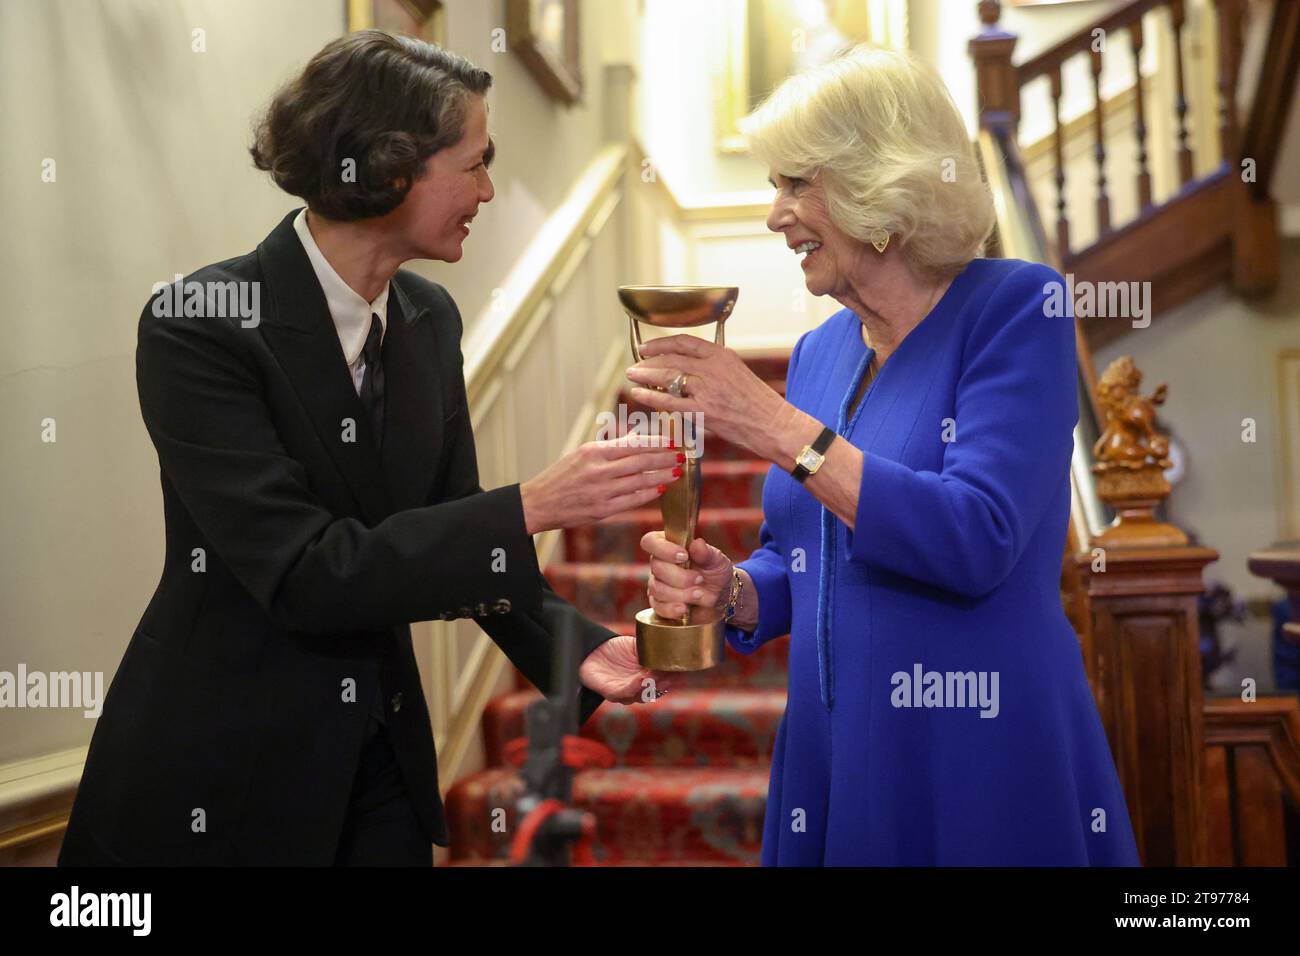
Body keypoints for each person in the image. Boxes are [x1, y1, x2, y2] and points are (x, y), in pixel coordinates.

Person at [58, 31, 680, 867]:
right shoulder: (199, 321)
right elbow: (306, 573)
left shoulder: (430, 319)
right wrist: (534, 504)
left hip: (379, 758)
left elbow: (450, 528)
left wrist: (570, 647)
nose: (490, 189)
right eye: (474, 163)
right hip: (220, 771)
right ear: (388, 168)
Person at [630, 46, 1140, 866]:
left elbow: (974, 536)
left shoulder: (1016, 308)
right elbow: (803, 554)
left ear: (880, 181)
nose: (774, 215)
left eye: (798, 183)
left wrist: (771, 424)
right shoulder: (818, 352)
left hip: (975, 748)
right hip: (835, 754)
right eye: (775, 186)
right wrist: (733, 591)